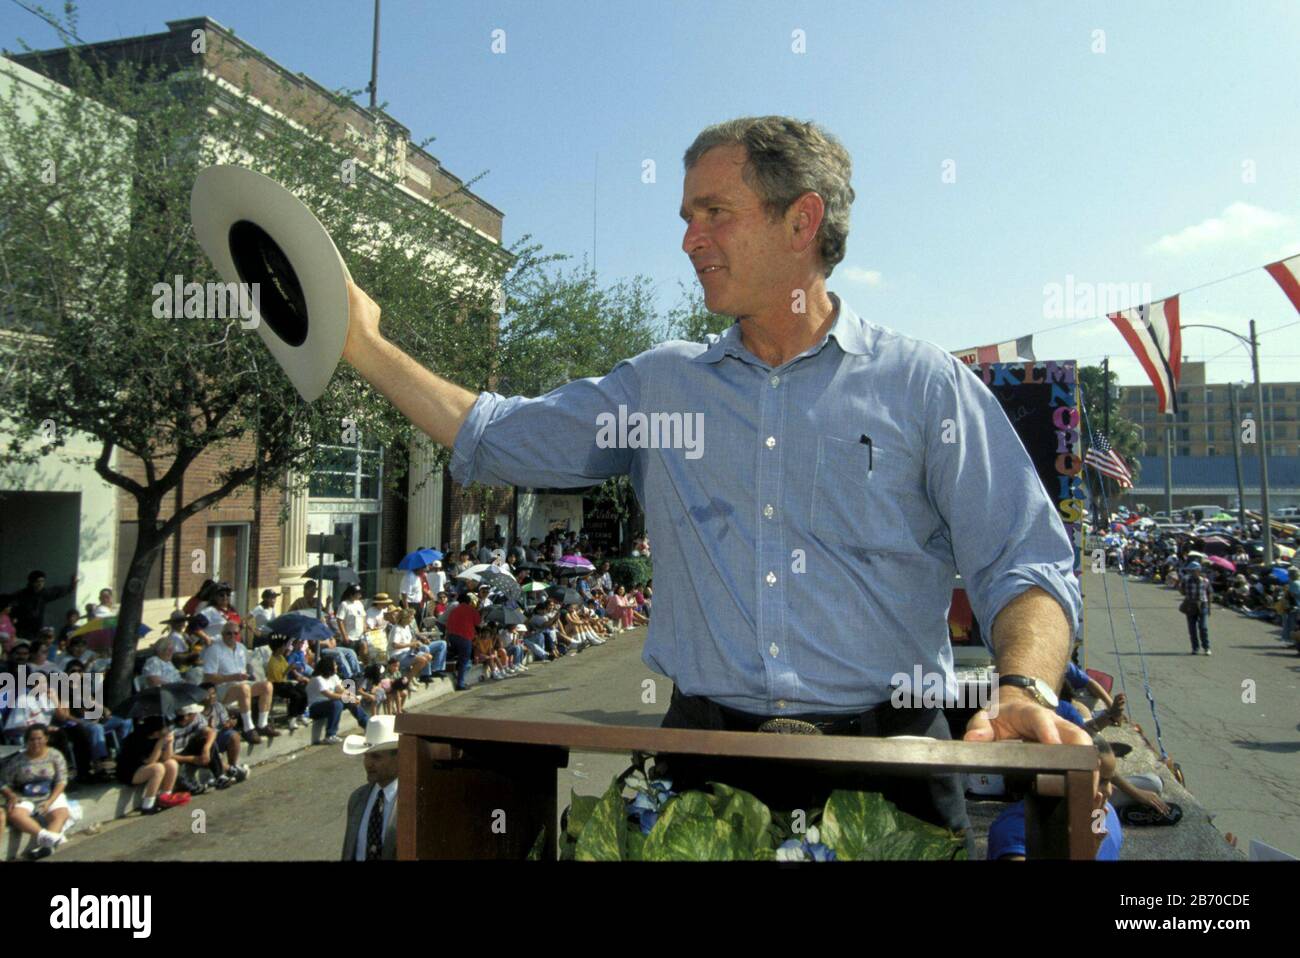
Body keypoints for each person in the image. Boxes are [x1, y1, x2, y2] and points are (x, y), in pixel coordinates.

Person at [339, 116, 1089, 839]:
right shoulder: (659, 388)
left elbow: (1024, 560)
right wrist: (362, 345)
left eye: (714, 212)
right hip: (702, 773)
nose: (689, 240)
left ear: (802, 223)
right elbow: (497, 437)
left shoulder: (925, 388)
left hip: (892, 775)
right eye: (686, 216)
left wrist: (1024, 686)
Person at [987, 736, 1124, 860]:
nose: (1109, 791)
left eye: (1110, 781)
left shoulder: (1103, 812)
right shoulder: (1015, 832)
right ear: (1057, 778)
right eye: (1100, 781)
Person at [0, 725, 74, 859]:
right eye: (31, 739)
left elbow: (61, 780)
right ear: (27, 741)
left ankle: (46, 848)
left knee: (61, 813)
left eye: (39, 738)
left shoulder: (55, 755)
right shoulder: (18, 760)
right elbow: (3, 783)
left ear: (46, 738)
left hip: (50, 793)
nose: (35, 742)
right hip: (25, 795)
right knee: (15, 814)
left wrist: (49, 802)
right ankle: (48, 838)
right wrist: (10, 795)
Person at [201, 623, 278, 744]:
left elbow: (248, 665)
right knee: (244, 688)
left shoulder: (241, 648)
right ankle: (248, 729)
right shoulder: (214, 650)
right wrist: (233, 677)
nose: (232, 636)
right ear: (222, 634)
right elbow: (208, 677)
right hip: (222, 688)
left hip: (241, 683)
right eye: (228, 633)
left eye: (235, 633)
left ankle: (262, 725)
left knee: (267, 685)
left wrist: (251, 673)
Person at [340, 715, 401, 860]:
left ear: (399, 758)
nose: (368, 763)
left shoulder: (411, 802)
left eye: (376, 757)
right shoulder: (357, 798)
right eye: (366, 756)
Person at [114, 716, 191, 814]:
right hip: (130, 772)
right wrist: (159, 744)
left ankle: (165, 798)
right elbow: (150, 762)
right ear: (156, 732)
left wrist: (169, 743)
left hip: (145, 768)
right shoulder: (136, 739)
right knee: (158, 768)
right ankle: (147, 805)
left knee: (172, 764)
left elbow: (167, 758)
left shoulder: (158, 737)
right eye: (166, 728)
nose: (168, 730)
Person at [305, 656, 369, 745]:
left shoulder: (333, 676)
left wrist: (353, 697)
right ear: (328, 666)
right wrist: (347, 697)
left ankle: (367, 725)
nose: (336, 667)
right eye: (334, 665)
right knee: (337, 703)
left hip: (329, 704)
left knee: (348, 701)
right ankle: (330, 735)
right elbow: (330, 695)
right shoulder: (317, 679)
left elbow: (341, 690)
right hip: (315, 708)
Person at [0, 570, 80, 640]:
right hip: (22, 629)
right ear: (31, 582)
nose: (40, 584)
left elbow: (57, 591)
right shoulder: (21, 595)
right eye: (37, 581)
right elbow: (8, 603)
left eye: (42, 581)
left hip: (37, 629)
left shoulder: (43, 593)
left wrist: (72, 586)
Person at [200, 683, 249, 783]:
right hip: (205, 740)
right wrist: (209, 728)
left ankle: (233, 766)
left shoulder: (218, 706)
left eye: (214, 694)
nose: (212, 697)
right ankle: (228, 772)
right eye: (209, 694)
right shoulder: (197, 711)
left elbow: (225, 722)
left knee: (234, 735)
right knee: (210, 743)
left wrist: (229, 723)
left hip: (218, 735)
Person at [266, 636, 309, 730]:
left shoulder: (281, 658)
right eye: (283, 646)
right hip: (276, 685)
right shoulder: (272, 661)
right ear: (278, 648)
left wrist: (294, 668)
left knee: (303, 692)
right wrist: (289, 669)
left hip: (284, 683)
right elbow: (279, 677)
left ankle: (300, 714)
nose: (285, 648)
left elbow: (286, 669)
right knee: (295, 695)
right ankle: (292, 718)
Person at [443, 590, 481, 691]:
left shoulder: (454, 610)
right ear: (469, 601)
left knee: (456, 657)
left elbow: (448, 625)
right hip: (465, 637)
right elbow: (478, 623)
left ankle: (457, 675)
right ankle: (460, 683)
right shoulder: (472, 610)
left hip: (452, 636)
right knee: (465, 661)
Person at [1180, 561, 1213, 656]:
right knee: (1192, 629)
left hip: (1203, 605)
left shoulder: (1205, 581)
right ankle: (1195, 648)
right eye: (1190, 571)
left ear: (1198, 571)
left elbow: (1209, 593)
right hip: (1190, 605)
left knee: (1203, 627)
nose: (1191, 572)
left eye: (1193, 570)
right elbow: (1182, 591)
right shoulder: (1185, 580)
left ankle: (1206, 647)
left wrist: (1209, 608)